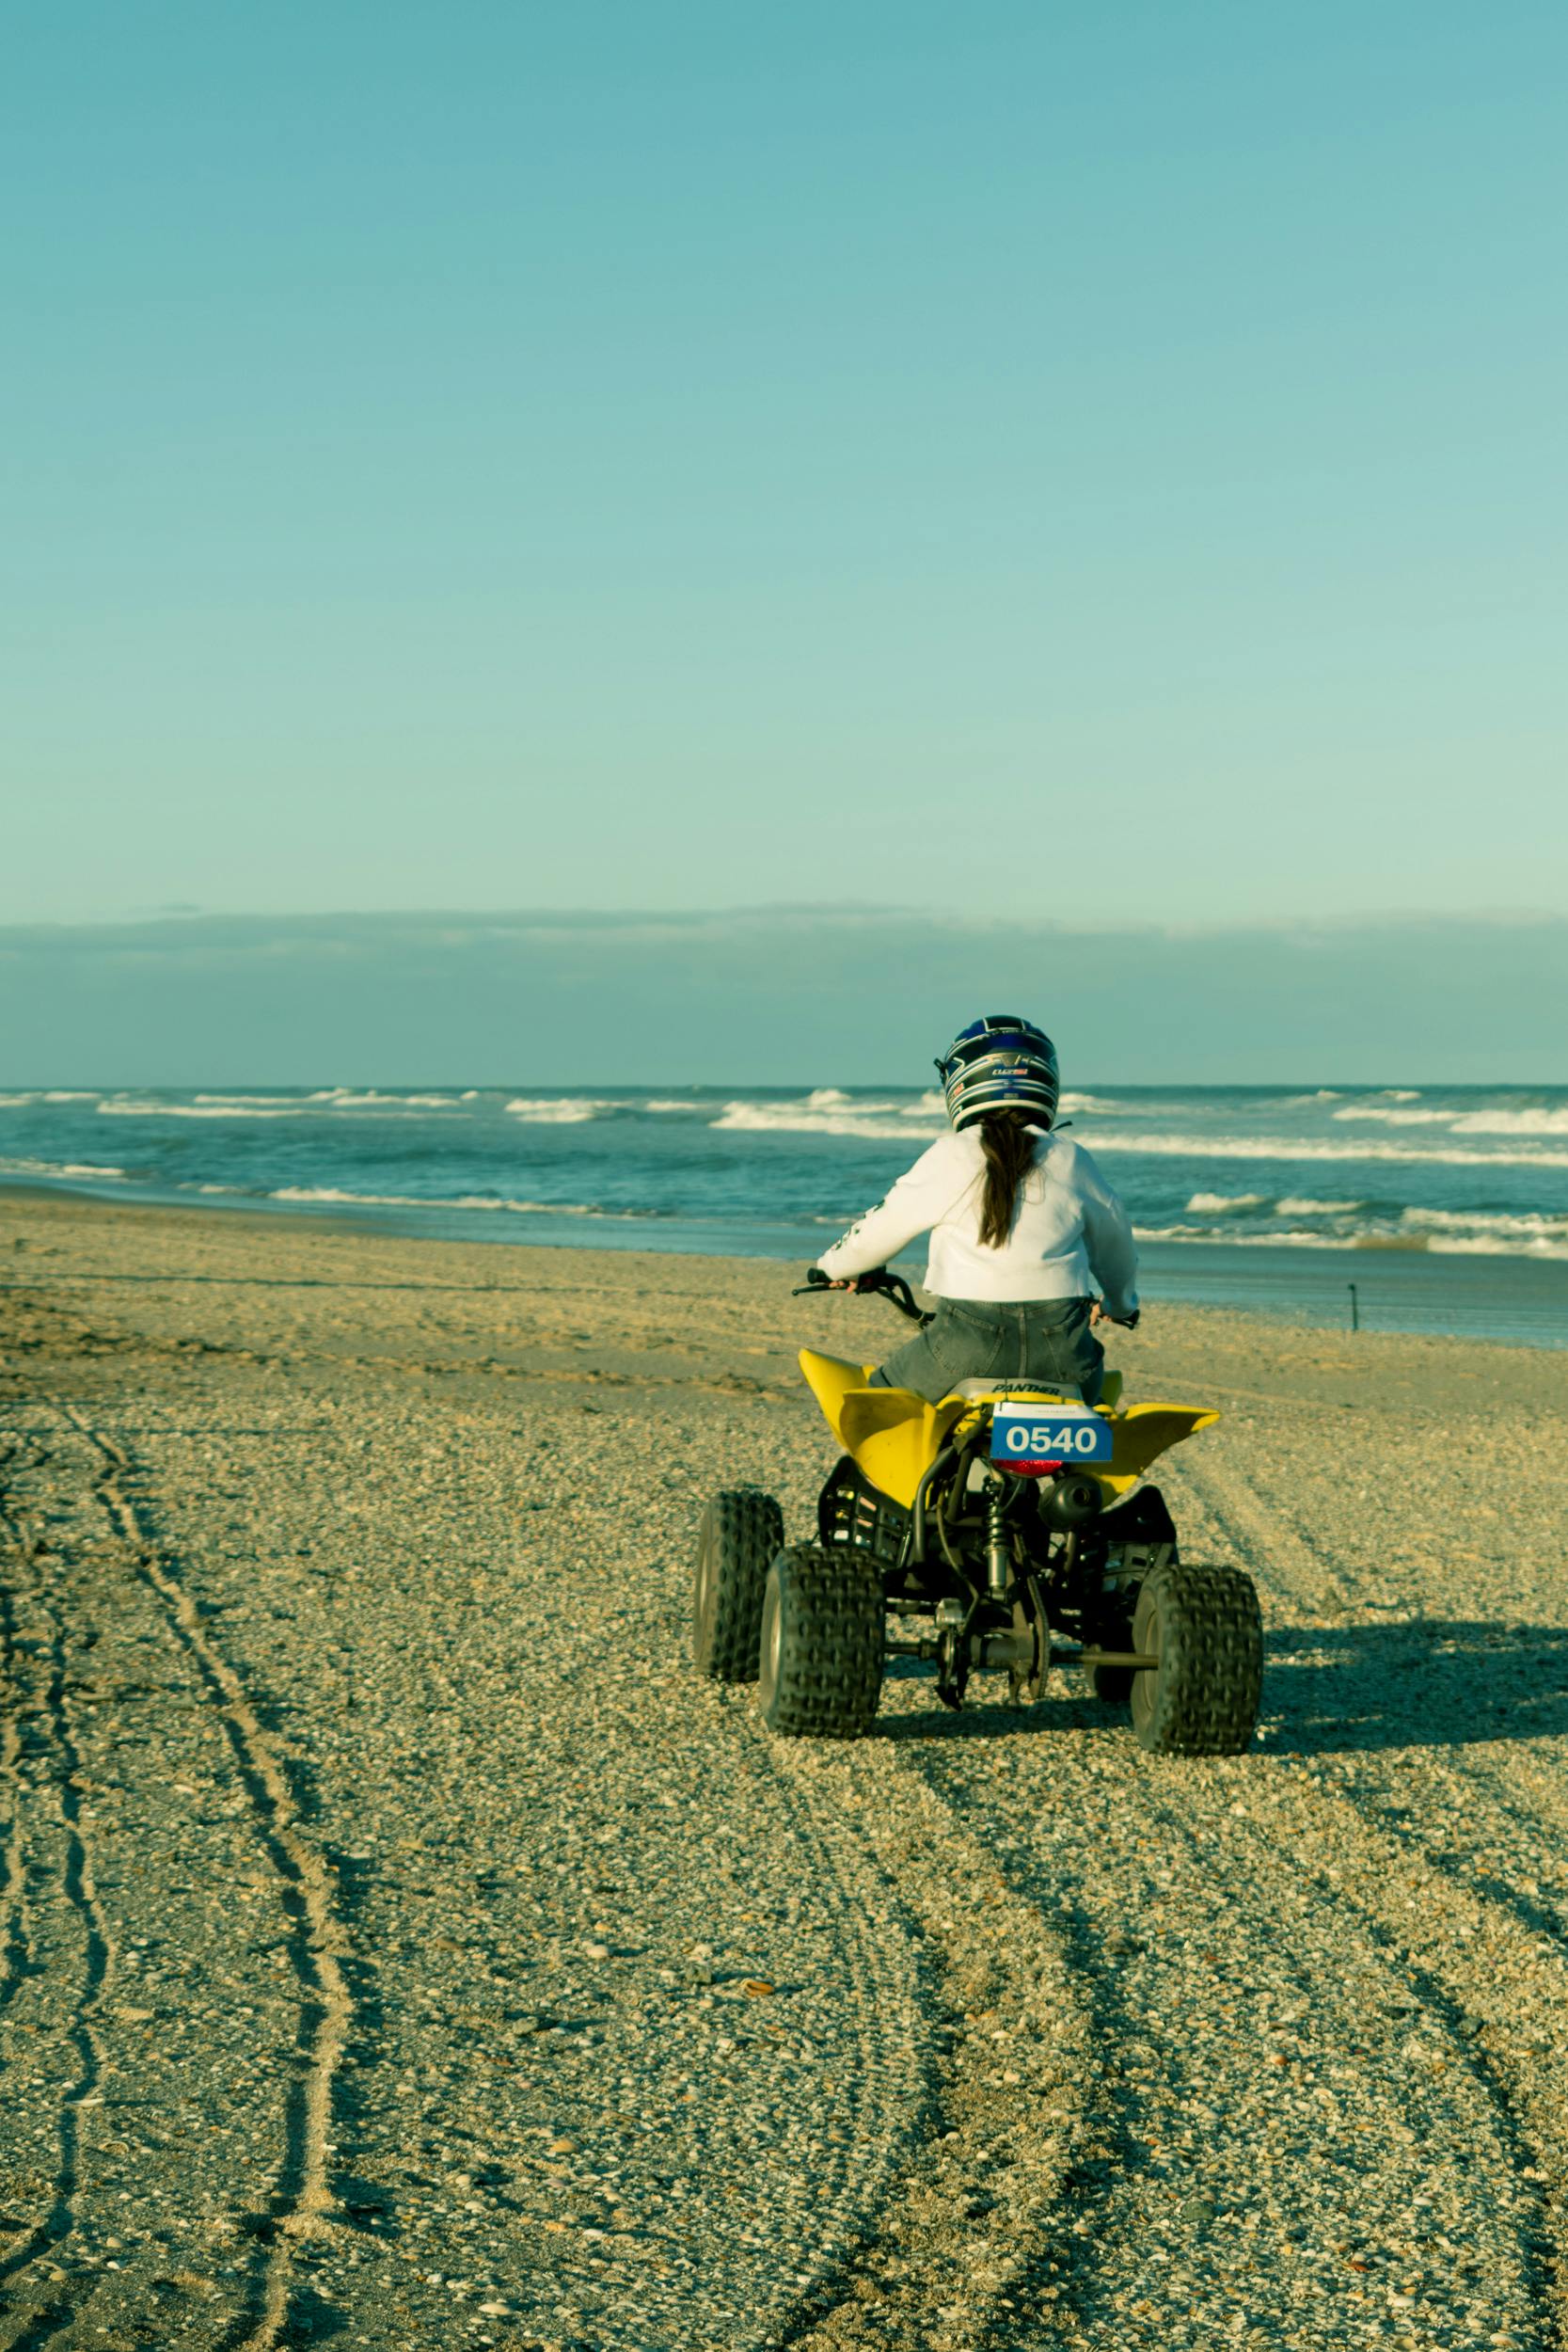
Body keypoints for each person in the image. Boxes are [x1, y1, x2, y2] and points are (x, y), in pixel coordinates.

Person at [814, 1015, 1138, 1405]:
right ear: (1047, 1079)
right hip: (1068, 1358)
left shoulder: (952, 1153)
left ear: (959, 1082)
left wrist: (832, 1266)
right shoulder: (1070, 1156)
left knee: (877, 1402)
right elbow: (1115, 1244)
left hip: (964, 1350)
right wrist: (1119, 1304)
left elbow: (880, 1230)